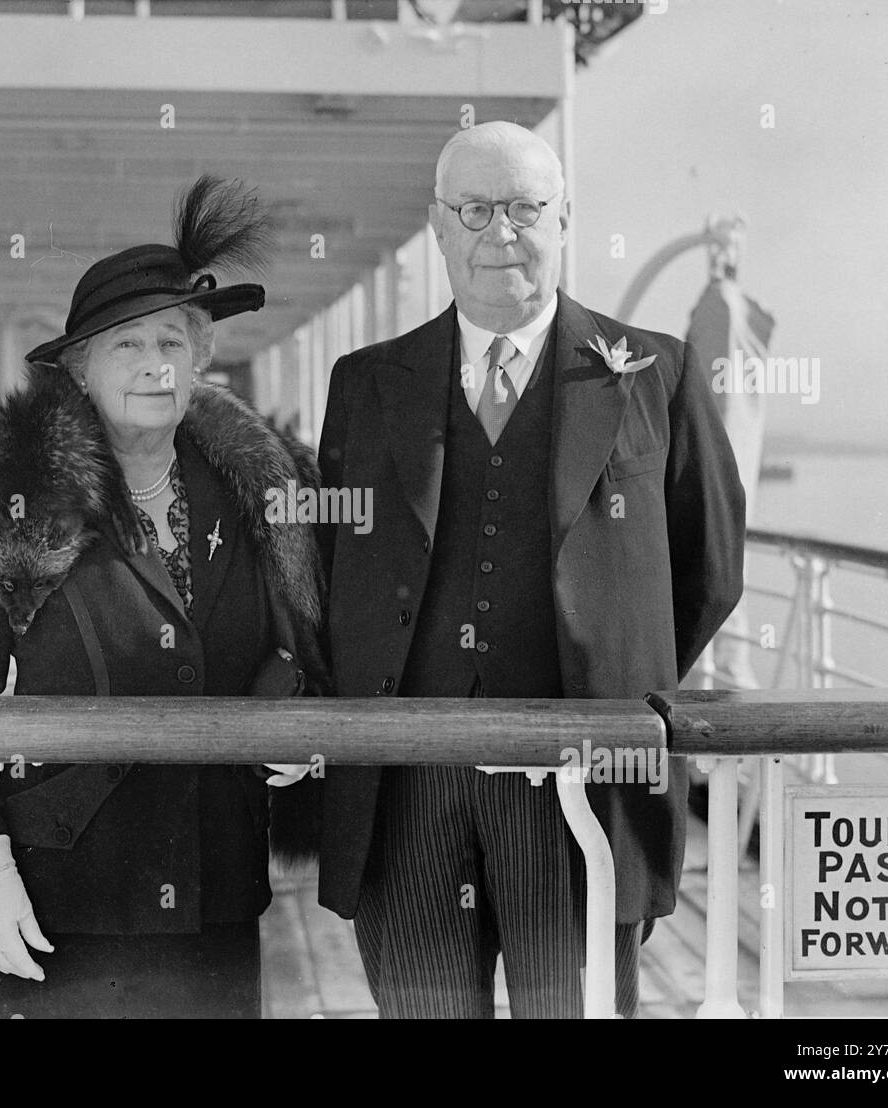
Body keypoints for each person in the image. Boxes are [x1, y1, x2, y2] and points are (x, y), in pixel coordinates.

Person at [314, 122, 745, 1018]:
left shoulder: (657, 375)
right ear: (438, 226)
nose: (497, 232)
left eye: (522, 208)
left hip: (582, 788)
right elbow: (327, 563)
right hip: (407, 790)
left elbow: (710, 569)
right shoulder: (365, 382)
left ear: (564, 218)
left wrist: (618, 680)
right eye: (474, 209)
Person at [0, 176, 325, 1019]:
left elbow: (294, 650)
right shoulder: (17, 496)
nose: (154, 365)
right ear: (80, 369)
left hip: (215, 891)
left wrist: (297, 729)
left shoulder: (254, 491)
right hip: (59, 894)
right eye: (127, 345)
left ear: (199, 359)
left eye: (173, 344)